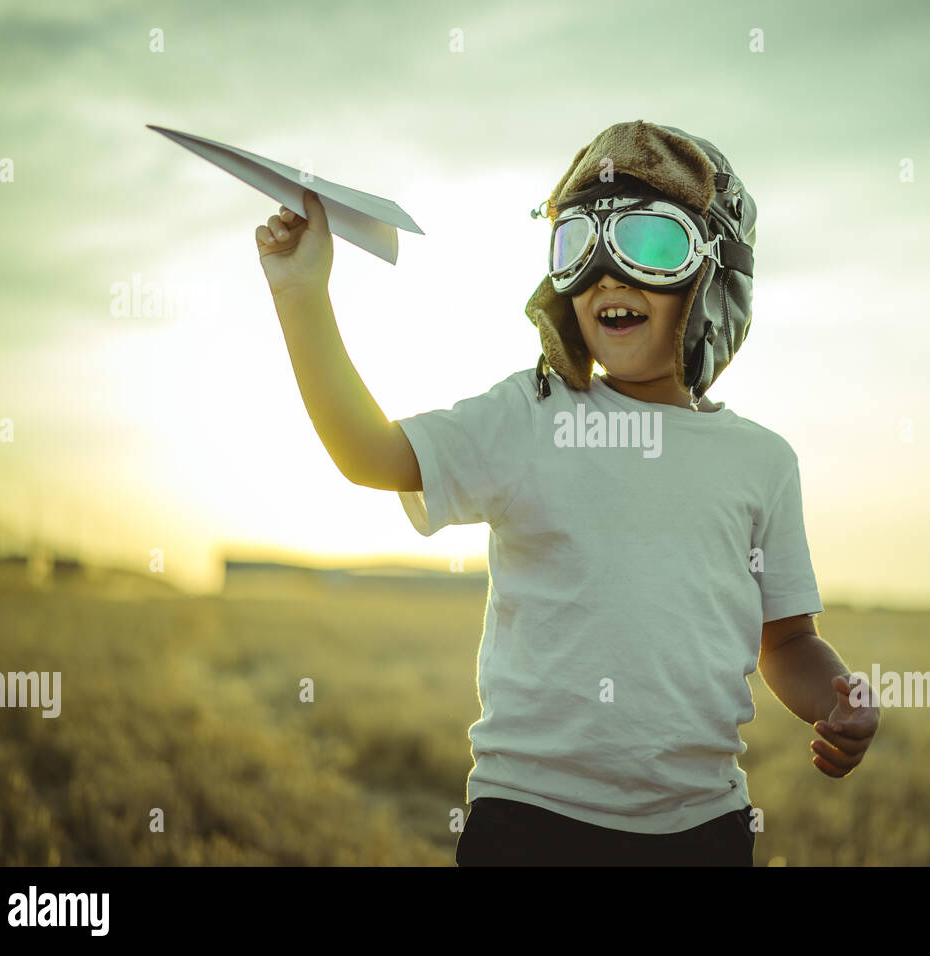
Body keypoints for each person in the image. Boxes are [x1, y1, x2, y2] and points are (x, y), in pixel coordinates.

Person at [257, 120, 880, 867]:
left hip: (704, 830)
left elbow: (788, 641)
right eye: (579, 244)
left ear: (715, 272)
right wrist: (301, 295)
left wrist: (834, 699)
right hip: (526, 823)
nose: (608, 275)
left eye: (651, 241)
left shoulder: (763, 462)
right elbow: (372, 454)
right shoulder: (532, 415)